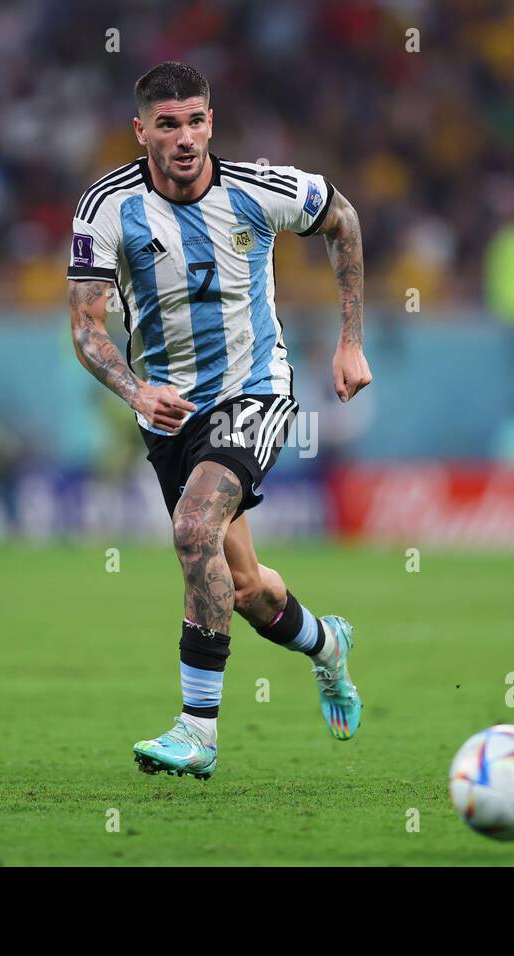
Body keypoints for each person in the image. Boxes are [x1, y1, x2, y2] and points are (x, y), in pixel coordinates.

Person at [66, 62, 372, 779]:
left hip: (255, 393)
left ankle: (197, 734)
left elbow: (343, 217)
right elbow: (86, 328)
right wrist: (137, 392)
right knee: (245, 589)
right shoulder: (107, 207)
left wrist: (351, 340)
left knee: (192, 528)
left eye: (196, 120)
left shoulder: (258, 190)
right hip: (170, 415)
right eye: (167, 124)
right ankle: (327, 645)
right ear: (140, 130)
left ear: (212, 122)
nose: (184, 137)